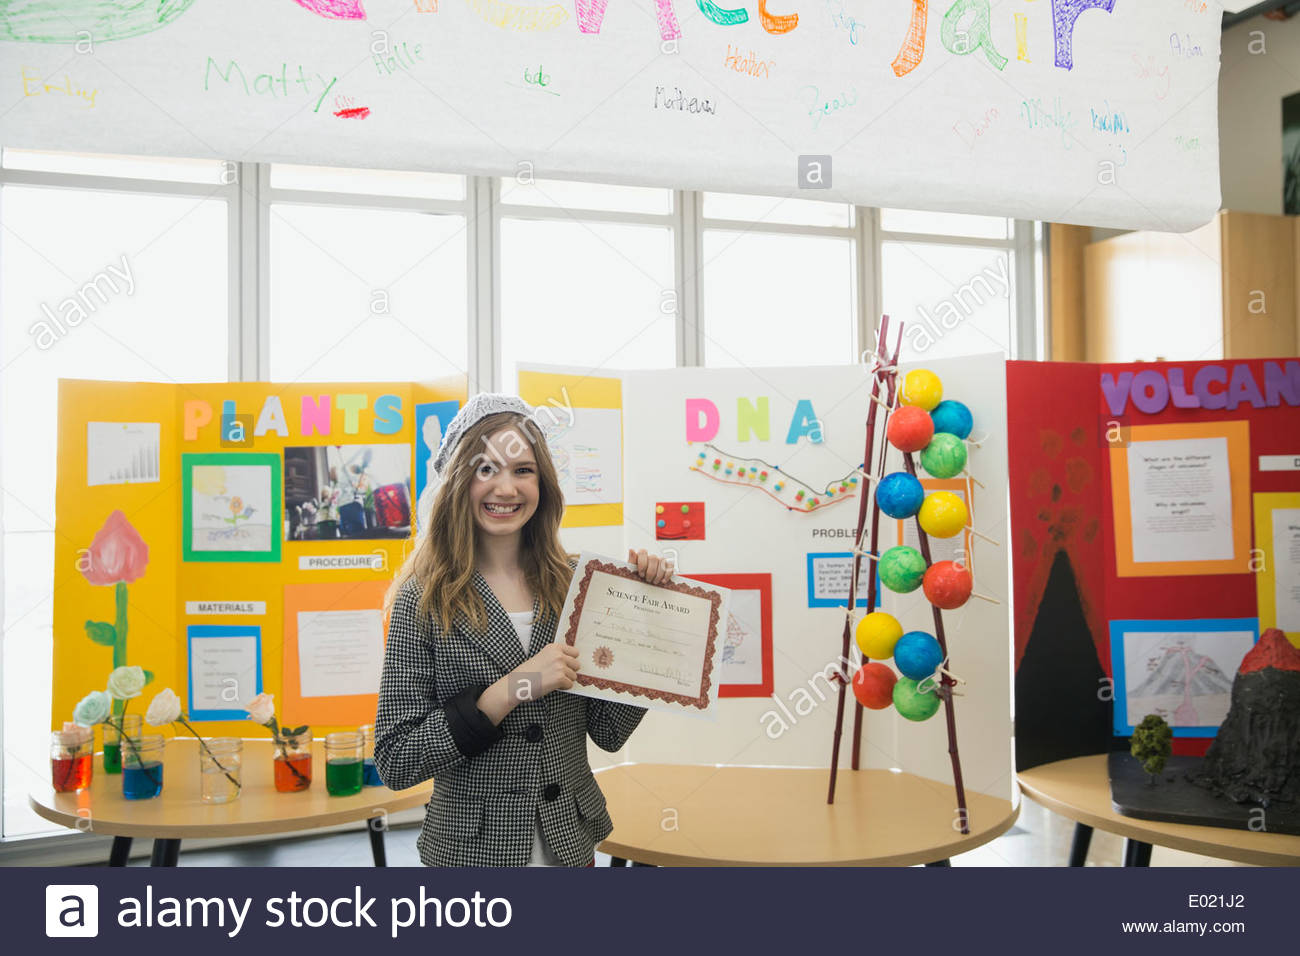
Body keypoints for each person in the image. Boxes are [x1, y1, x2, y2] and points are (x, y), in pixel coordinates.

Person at [375, 393, 662, 866]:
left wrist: (649, 621)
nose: (505, 487)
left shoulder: (578, 585)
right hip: (471, 858)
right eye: (486, 468)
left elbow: (610, 731)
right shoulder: (422, 600)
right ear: (457, 480)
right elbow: (397, 758)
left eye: (522, 470)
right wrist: (512, 688)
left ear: (543, 483)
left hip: (572, 848)